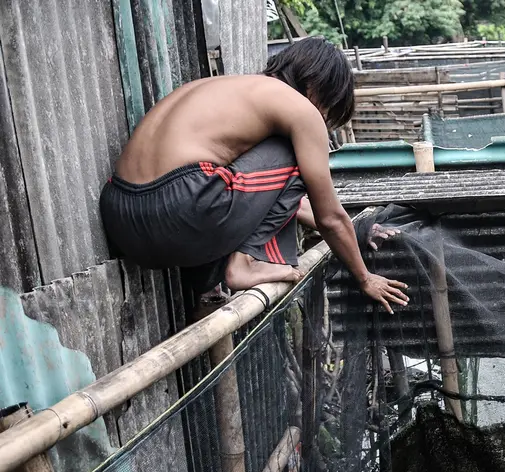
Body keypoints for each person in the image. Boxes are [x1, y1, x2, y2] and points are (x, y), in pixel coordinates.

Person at [99, 37, 409, 313]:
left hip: (120, 218)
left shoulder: (226, 88)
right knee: (294, 152)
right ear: (318, 87)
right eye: (328, 111)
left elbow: (281, 201)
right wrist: (365, 278)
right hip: (182, 206)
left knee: (226, 175)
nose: (323, 119)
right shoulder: (300, 110)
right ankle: (244, 263)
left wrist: (358, 229)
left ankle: (209, 291)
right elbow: (328, 216)